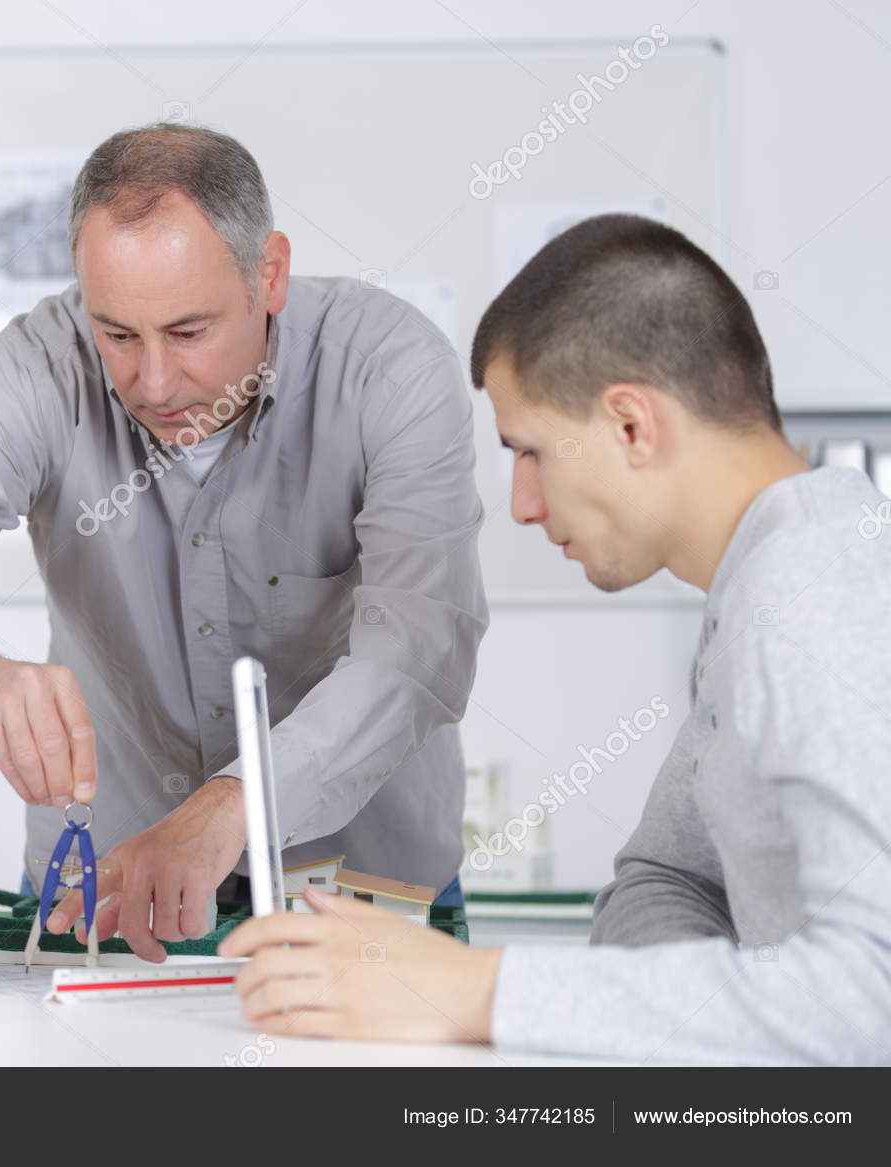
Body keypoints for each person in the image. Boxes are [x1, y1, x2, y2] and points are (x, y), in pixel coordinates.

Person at [221, 213, 891, 1065]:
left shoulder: (821, 594)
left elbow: (873, 995)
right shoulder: (758, 589)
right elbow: (663, 879)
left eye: (530, 450)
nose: (524, 504)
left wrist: (475, 991)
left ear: (630, 425)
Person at [0, 124, 487, 961]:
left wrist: (236, 805)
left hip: (362, 890)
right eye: (119, 336)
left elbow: (420, 643)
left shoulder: (391, 369)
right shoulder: (40, 365)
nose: (156, 383)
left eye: (190, 331)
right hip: (105, 893)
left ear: (268, 274)